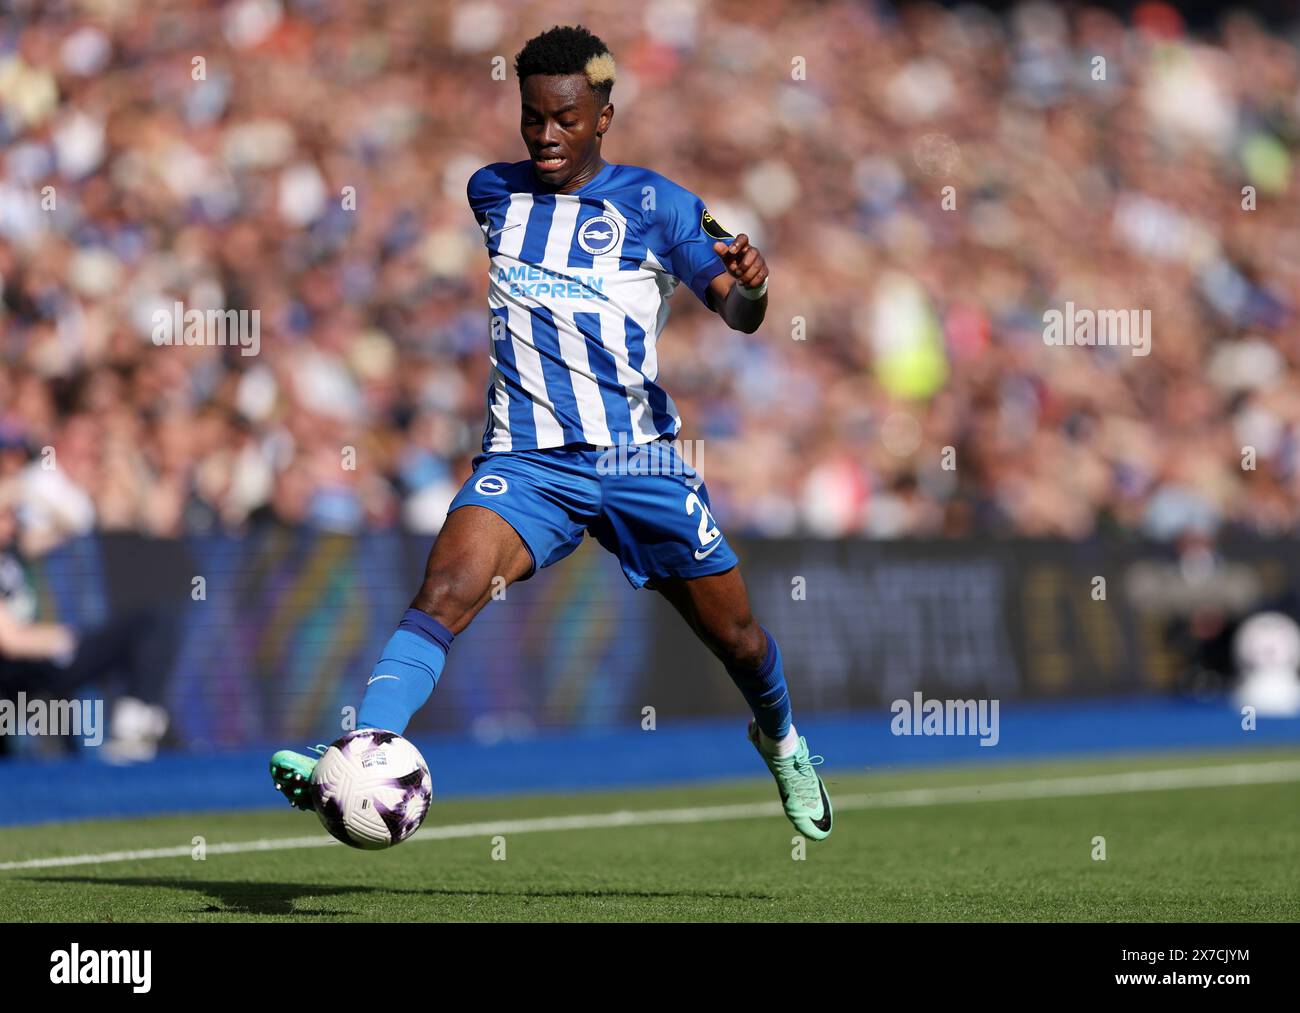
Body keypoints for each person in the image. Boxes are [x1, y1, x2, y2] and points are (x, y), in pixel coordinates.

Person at [270, 25, 831, 840]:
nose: (546, 135)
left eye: (565, 118)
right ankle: (362, 746)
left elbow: (739, 314)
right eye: (533, 117)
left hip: (639, 461)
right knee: (445, 590)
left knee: (738, 638)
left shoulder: (661, 205)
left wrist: (752, 286)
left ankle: (780, 740)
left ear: (603, 115)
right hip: (529, 464)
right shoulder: (490, 192)